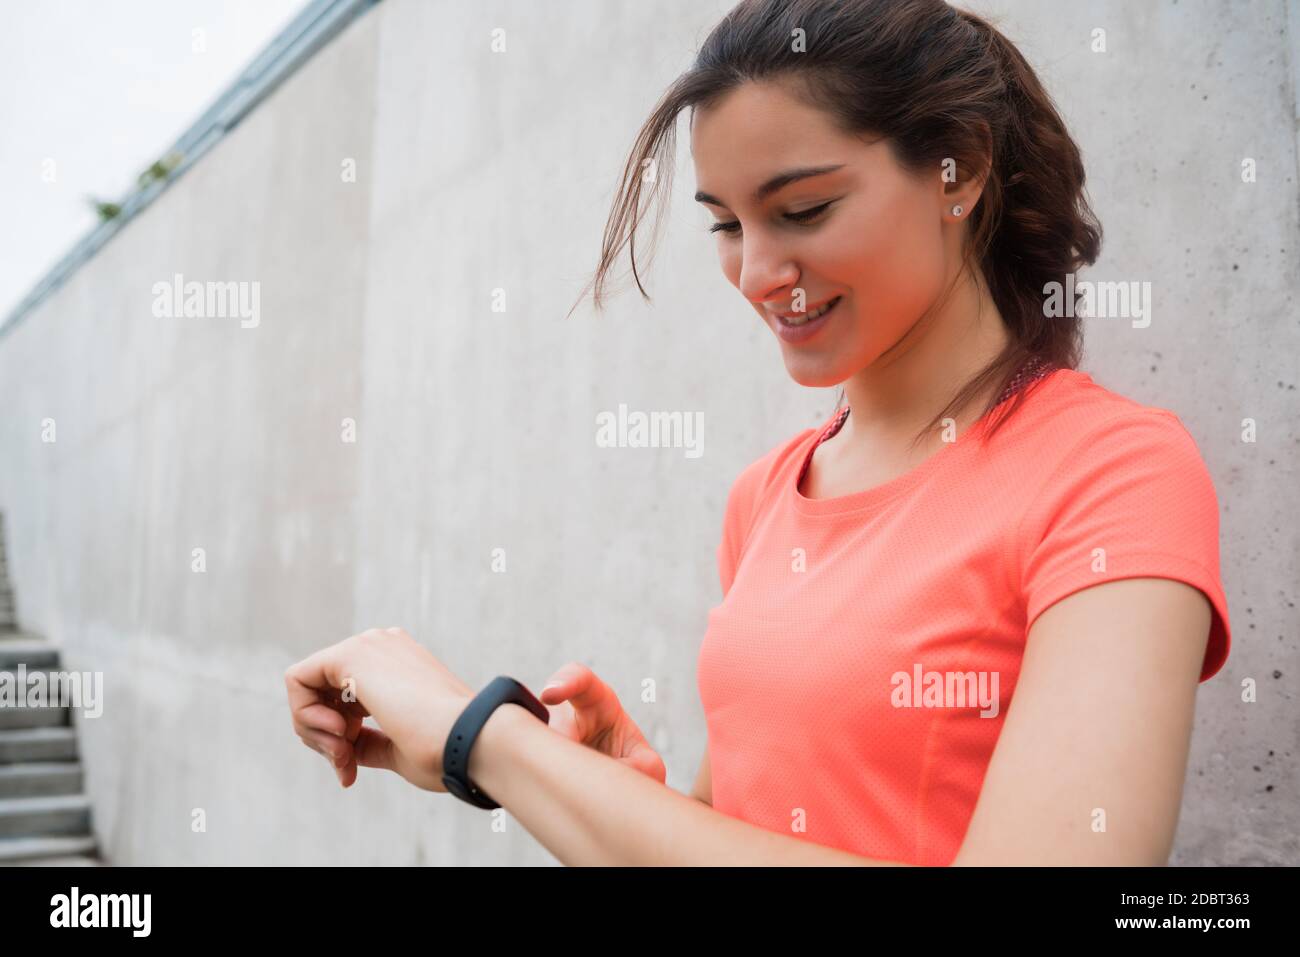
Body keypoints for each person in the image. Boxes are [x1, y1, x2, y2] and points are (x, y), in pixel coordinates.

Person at [285, 0, 1231, 866]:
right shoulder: (767, 496)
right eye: (727, 224)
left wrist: (484, 739)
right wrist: (624, 801)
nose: (758, 270)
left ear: (963, 168)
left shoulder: (1113, 475)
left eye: (804, 209)